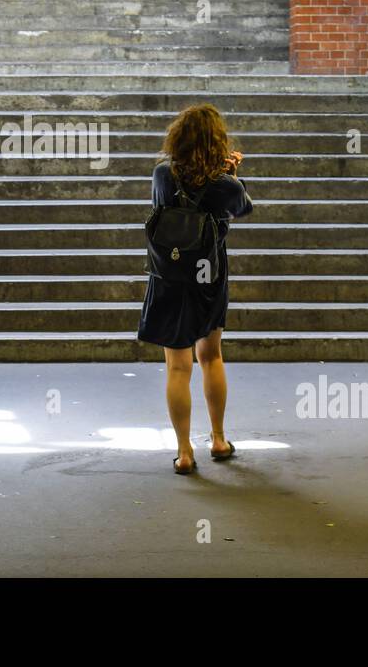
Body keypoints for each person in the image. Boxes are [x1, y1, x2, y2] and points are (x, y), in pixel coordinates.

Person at [137, 104, 254, 475]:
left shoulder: (161, 174)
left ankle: (185, 453)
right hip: (209, 275)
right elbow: (243, 208)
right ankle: (218, 439)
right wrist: (231, 174)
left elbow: (161, 210)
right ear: (215, 141)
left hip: (169, 276)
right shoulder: (223, 184)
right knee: (211, 357)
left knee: (177, 367)